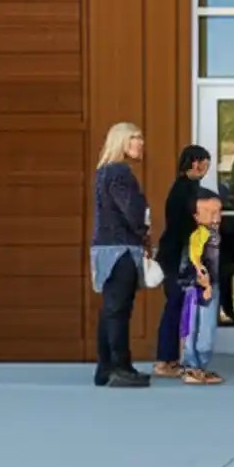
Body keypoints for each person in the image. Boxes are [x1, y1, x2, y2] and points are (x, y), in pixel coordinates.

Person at [89, 122, 151, 388]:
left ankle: (106, 368)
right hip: (121, 248)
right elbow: (132, 211)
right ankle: (120, 367)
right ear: (122, 142)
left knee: (110, 310)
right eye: (134, 138)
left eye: (141, 137)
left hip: (106, 248)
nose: (140, 143)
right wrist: (144, 227)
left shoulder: (104, 172)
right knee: (118, 310)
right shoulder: (120, 172)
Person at [153, 144, 210, 379]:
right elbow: (183, 226)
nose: (206, 167)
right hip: (178, 256)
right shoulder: (185, 190)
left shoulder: (187, 188)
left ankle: (172, 357)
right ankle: (165, 359)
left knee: (179, 306)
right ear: (195, 163)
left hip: (179, 254)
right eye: (205, 162)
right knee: (175, 305)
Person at [179, 190, 224, 385]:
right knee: (195, 326)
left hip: (210, 284)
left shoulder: (214, 234)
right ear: (196, 217)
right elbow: (194, 258)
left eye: (218, 212)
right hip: (197, 287)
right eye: (209, 213)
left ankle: (200, 366)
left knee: (207, 326)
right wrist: (203, 281)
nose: (216, 218)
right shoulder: (199, 235)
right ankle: (191, 366)